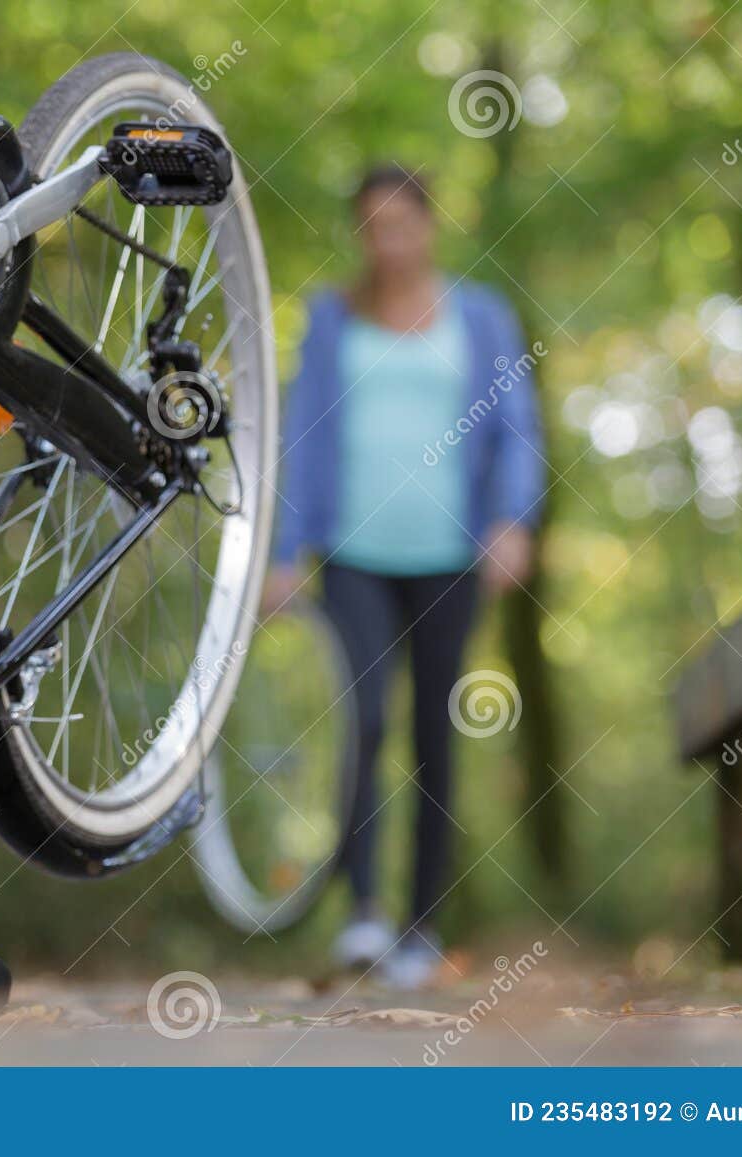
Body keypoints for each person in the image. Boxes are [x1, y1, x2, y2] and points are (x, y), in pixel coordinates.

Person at [262, 164, 545, 989]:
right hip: (351, 554)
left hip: (452, 556)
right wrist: (283, 551)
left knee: (434, 736)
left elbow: (516, 428)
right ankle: (362, 914)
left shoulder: (482, 318)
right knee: (364, 724)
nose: (387, 240)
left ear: (429, 224)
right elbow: (299, 435)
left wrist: (512, 522)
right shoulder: (329, 319)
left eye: (400, 222)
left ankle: (423, 926)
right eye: (371, 226)